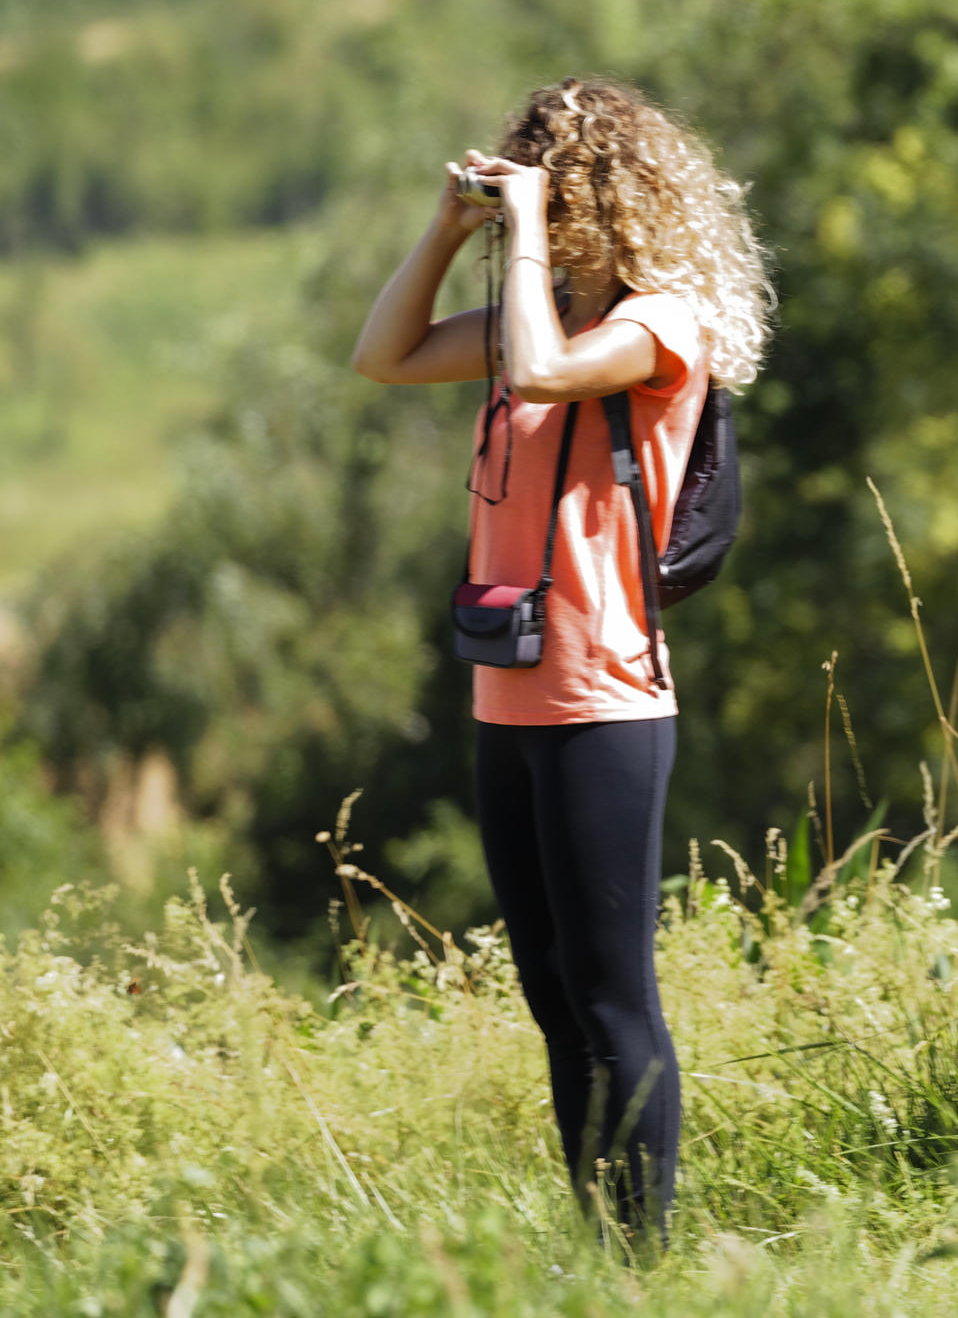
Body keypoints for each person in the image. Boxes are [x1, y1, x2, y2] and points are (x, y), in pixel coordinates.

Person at [350, 76, 771, 1244]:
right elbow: (382, 355)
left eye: (566, 189)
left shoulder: (660, 323)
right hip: (510, 691)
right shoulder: (539, 316)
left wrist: (526, 236)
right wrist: (448, 231)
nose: (551, 208)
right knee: (550, 1000)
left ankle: (641, 1259)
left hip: (606, 695)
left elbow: (537, 373)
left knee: (610, 996)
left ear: (615, 197)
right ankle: (599, 1244)